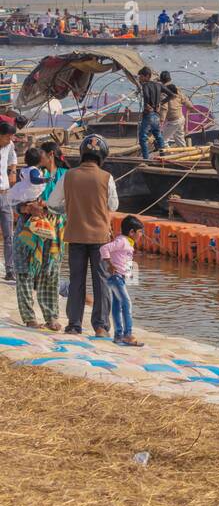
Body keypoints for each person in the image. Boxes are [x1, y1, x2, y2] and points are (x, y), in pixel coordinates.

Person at [46, 134, 118, 337]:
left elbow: (52, 203)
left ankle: (74, 324)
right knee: (101, 281)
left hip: (75, 235)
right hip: (100, 238)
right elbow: (114, 205)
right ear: (102, 156)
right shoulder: (107, 177)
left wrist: (68, 209)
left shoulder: (68, 176)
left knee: (76, 280)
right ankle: (101, 326)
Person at [7, 163, 64, 330]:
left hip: (52, 231)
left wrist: (45, 205)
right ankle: (29, 318)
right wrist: (26, 207)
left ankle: (51, 317)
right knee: (24, 273)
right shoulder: (30, 173)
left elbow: (68, 204)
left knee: (50, 273)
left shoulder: (64, 175)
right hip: (27, 230)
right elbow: (17, 201)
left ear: (50, 155)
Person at [100, 215, 144, 347]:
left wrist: (129, 275)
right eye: (140, 232)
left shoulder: (128, 243)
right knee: (127, 303)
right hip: (115, 277)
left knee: (117, 305)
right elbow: (104, 248)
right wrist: (109, 264)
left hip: (120, 277)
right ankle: (128, 334)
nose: (141, 235)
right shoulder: (122, 241)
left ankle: (118, 335)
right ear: (131, 232)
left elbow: (125, 259)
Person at [0, 120, 18, 280]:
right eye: (7, 137)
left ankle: (10, 270)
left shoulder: (9, 145)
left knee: (9, 234)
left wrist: (13, 170)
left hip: (5, 194)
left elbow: (13, 157)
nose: (9, 140)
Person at [137, 67, 167, 159]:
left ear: (147, 76)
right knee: (158, 135)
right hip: (156, 115)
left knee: (142, 137)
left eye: (141, 76)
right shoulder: (158, 85)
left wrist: (147, 105)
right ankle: (163, 156)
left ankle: (146, 158)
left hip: (149, 114)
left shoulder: (145, 85)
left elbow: (146, 95)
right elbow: (172, 95)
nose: (140, 79)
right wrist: (160, 104)